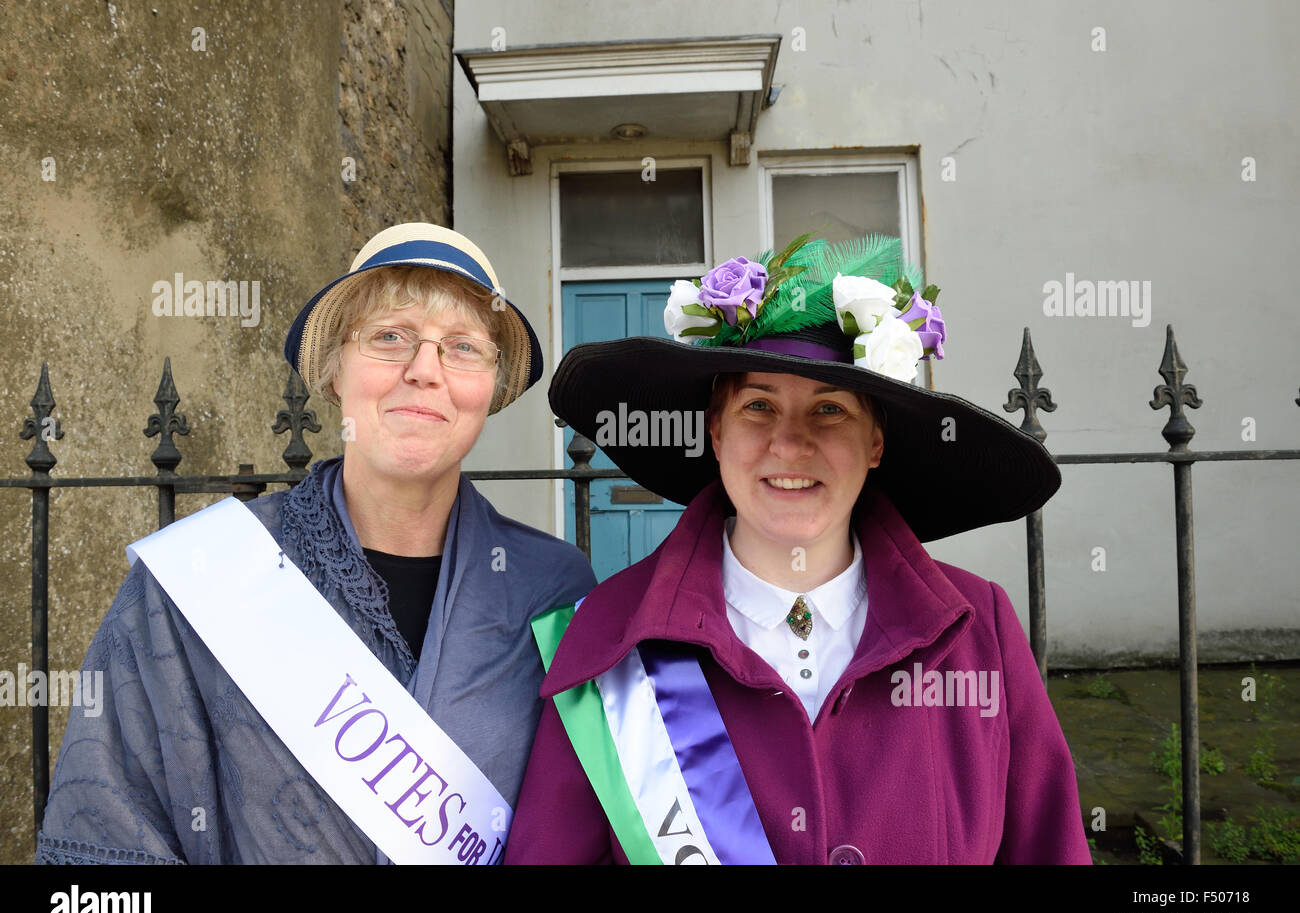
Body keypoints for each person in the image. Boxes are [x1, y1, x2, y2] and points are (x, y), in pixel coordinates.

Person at [505, 234, 1091, 864]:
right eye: (758, 406)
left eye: (830, 410)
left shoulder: (982, 631)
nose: (790, 444)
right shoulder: (610, 640)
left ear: (875, 443)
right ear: (715, 432)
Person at [36, 222, 595, 864]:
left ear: (490, 388)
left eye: (463, 347)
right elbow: (104, 833)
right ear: (334, 371)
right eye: (390, 337)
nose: (424, 371)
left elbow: (578, 832)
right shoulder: (196, 580)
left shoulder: (552, 593)